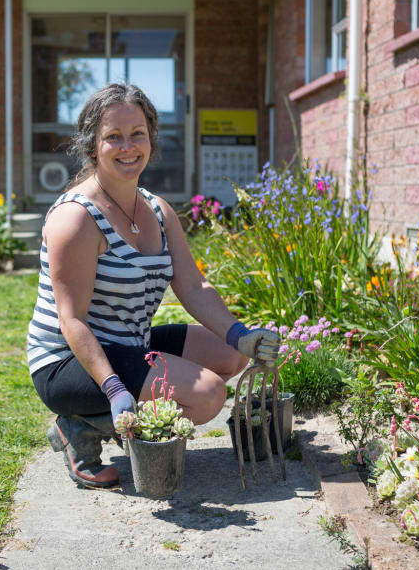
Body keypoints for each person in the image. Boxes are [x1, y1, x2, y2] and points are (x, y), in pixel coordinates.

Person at [27, 83, 280, 489]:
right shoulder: (75, 219)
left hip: (130, 343)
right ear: (93, 145)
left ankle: (106, 415)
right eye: (113, 137)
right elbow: (71, 320)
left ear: (151, 138)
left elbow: (194, 286)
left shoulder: (157, 209)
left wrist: (242, 336)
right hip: (69, 362)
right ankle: (82, 426)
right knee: (208, 395)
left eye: (137, 134)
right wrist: (113, 389)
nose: (128, 146)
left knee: (231, 357)